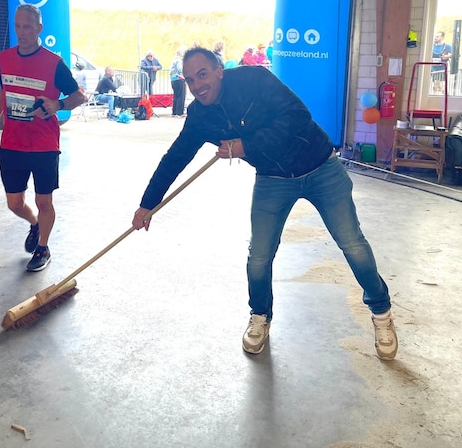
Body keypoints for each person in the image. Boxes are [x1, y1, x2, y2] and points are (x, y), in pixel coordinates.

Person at [131, 47, 397, 360]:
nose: (197, 84)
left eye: (202, 74)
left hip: (321, 166)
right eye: (190, 80)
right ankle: (260, 315)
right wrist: (148, 204)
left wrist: (248, 145)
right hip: (273, 178)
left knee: (352, 243)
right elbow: (175, 157)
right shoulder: (200, 116)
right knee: (259, 255)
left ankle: (381, 312)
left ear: (219, 70)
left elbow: (298, 116)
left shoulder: (254, 79)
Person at [0, 4, 86, 272]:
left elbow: (79, 96)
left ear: (39, 28)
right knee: (14, 203)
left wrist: (58, 105)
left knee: (44, 201)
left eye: (28, 26)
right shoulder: (4, 58)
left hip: (43, 144)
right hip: (13, 144)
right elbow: (5, 91)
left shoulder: (54, 63)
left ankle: (43, 247)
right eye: (18, 26)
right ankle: (34, 224)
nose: (22, 32)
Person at [170, 47, 186, 117]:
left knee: (176, 96)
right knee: (181, 96)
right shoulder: (179, 61)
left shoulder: (174, 60)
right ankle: (180, 112)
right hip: (179, 78)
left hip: (173, 79)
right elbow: (180, 69)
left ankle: (174, 111)